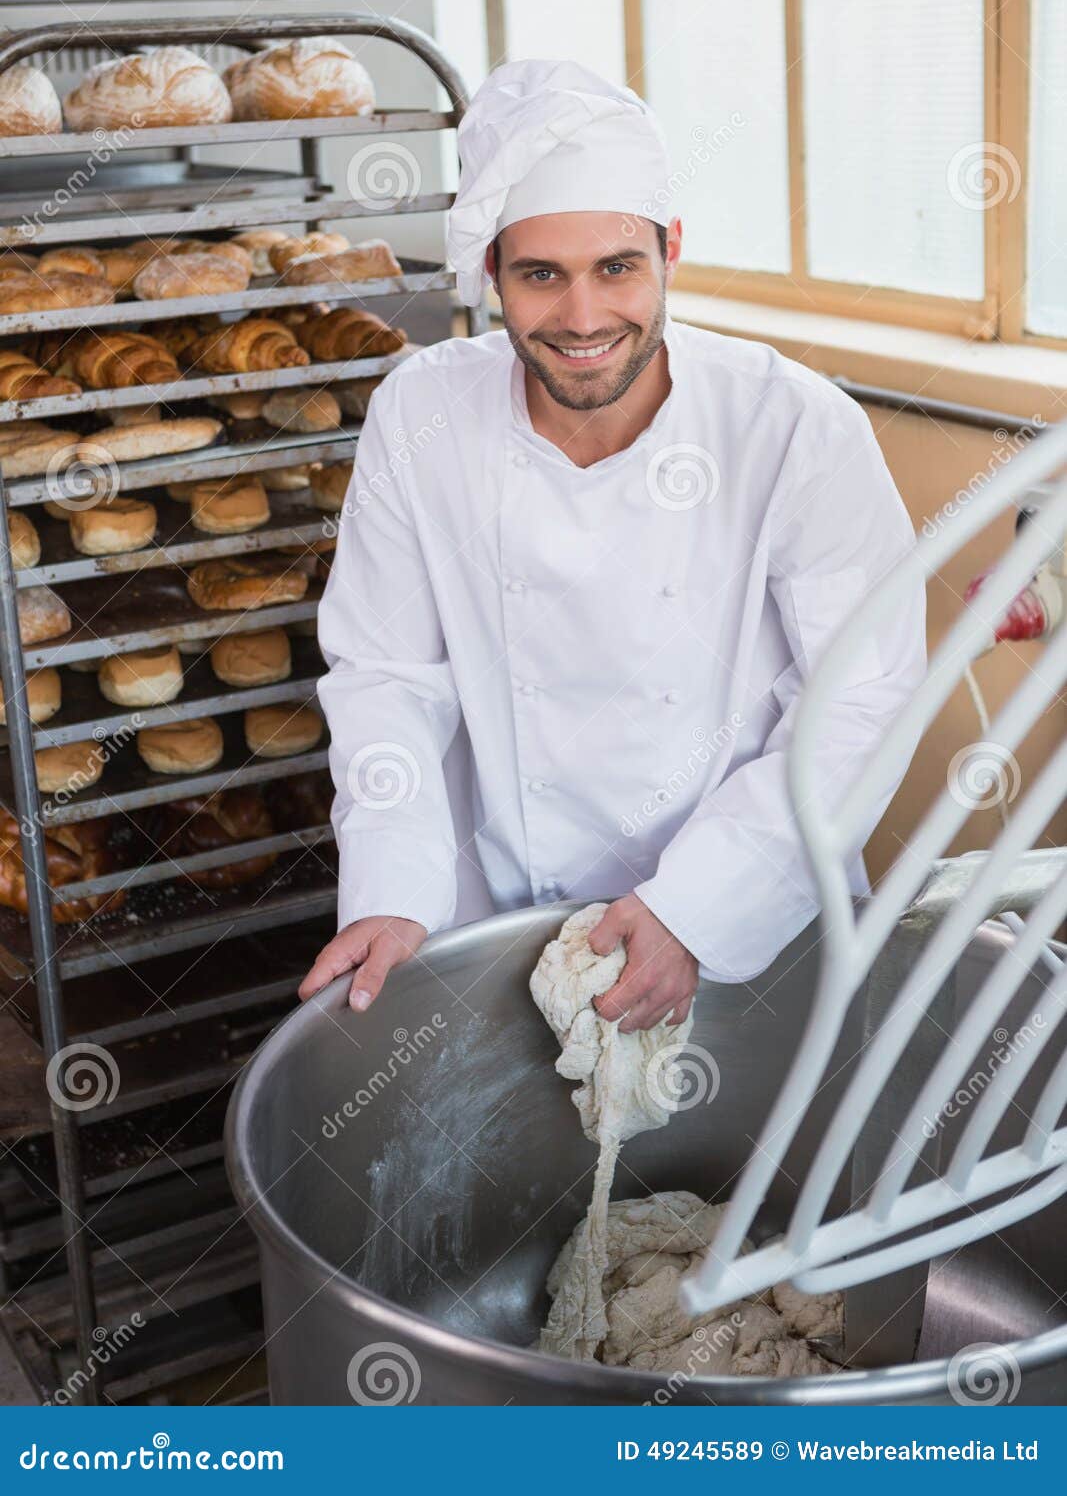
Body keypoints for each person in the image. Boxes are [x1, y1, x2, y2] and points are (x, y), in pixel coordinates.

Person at [298, 58, 927, 1030]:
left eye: (616, 268)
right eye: (540, 274)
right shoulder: (420, 414)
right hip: (501, 914)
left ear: (671, 249)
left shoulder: (791, 427)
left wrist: (698, 907)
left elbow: (862, 696)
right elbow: (385, 673)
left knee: (759, 1171)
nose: (582, 319)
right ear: (489, 274)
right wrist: (392, 883)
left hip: (749, 920)